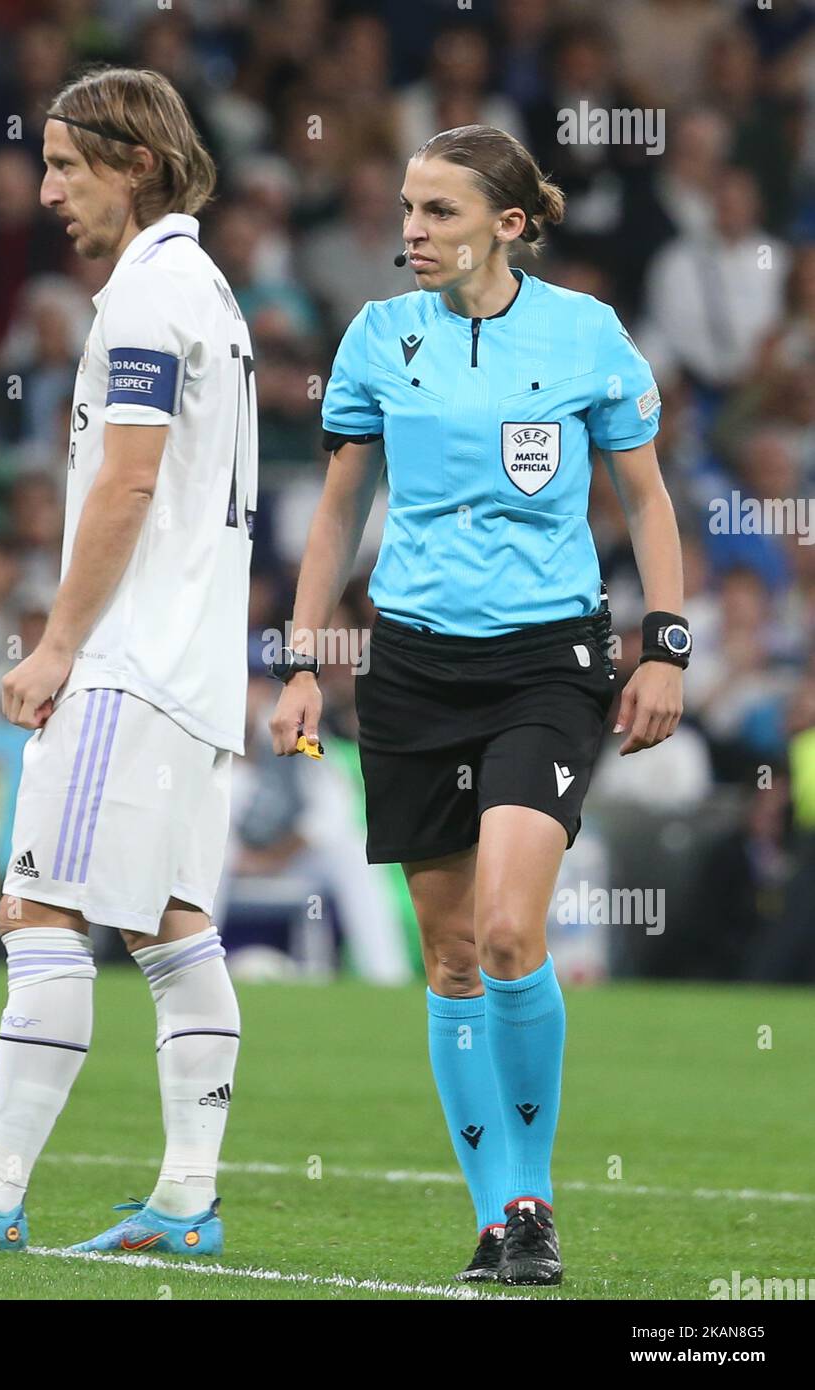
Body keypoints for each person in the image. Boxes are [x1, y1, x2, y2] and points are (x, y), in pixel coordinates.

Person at [0, 67, 257, 1259]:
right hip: (195, 676)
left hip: (126, 667)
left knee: (37, 907)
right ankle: (184, 1203)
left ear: (136, 165)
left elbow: (128, 480)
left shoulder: (142, 297)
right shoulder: (211, 294)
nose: (47, 189)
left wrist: (60, 646)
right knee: (175, 931)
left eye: (70, 165)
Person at [269, 124, 691, 1286]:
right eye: (406, 207)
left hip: (543, 666)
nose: (411, 230)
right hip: (409, 668)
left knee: (510, 933)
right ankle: (495, 1212)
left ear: (509, 224)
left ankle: (533, 1196)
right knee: (449, 956)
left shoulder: (584, 335)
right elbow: (334, 510)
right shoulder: (375, 336)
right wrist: (302, 659)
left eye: (439, 212)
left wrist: (663, 643)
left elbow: (646, 502)